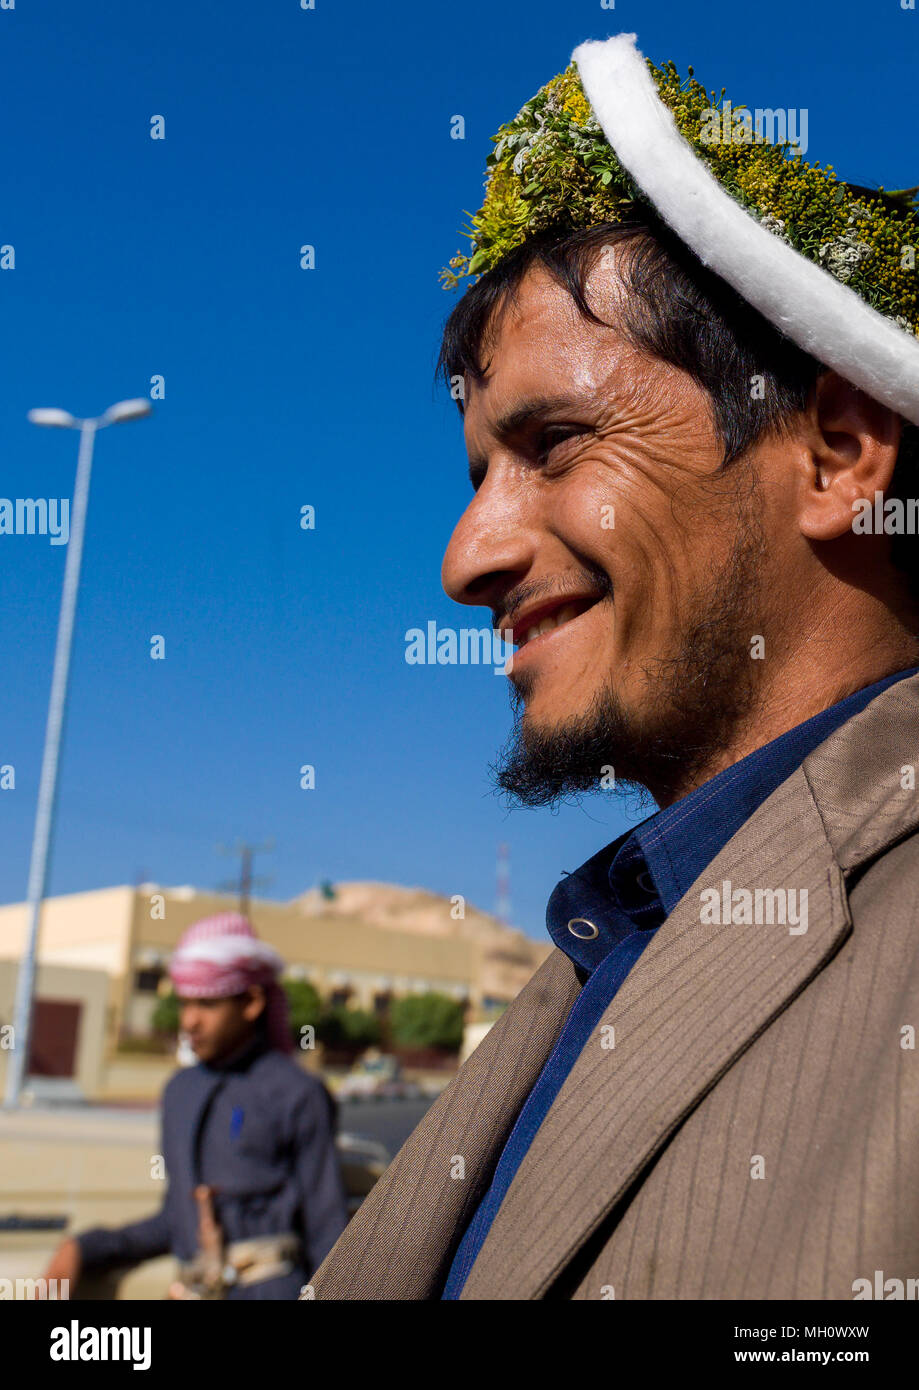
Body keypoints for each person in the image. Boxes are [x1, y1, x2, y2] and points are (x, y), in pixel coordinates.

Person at [305, 33, 919, 1299]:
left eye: (557, 443)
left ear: (838, 452)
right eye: (480, 473)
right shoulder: (622, 933)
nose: (466, 557)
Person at [44, 912, 347, 1299]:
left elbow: (326, 1225)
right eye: (185, 1003)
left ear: (252, 1002)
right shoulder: (179, 1091)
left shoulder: (297, 1092)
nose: (189, 1021)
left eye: (207, 1004)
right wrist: (83, 1248)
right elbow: (176, 1220)